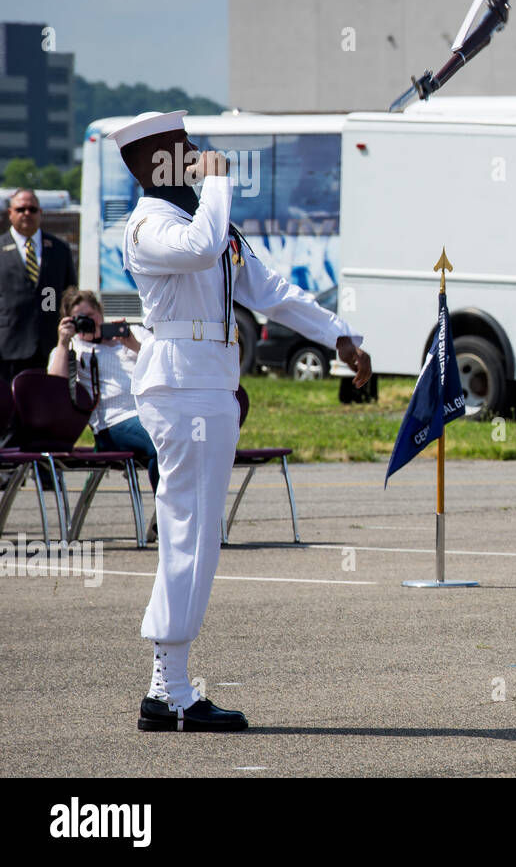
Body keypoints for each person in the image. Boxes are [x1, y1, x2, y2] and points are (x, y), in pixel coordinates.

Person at [111, 110, 371, 733]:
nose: (197, 155)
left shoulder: (207, 220)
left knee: (198, 536)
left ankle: (167, 687)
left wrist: (337, 334)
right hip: (180, 387)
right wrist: (221, 183)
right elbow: (200, 249)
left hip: (210, 386)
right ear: (151, 163)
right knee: (188, 534)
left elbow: (270, 290)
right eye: (182, 149)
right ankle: (169, 692)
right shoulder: (149, 223)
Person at [47, 288, 160, 492]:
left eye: (90, 316)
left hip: (153, 412)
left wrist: (133, 345)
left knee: (182, 438)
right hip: (113, 423)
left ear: (100, 312)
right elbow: (55, 389)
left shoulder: (132, 334)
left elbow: (164, 367)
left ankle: (184, 516)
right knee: (161, 441)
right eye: (78, 319)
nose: (86, 322)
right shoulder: (71, 349)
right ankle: (169, 518)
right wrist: (63, 343)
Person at [1, 189, 76, 383]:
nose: (27, 213)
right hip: (8, 348)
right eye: (21, 209)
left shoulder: (60, 249)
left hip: (50, 347)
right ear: (10, 213)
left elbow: (70, 294)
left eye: (32, 209)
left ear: (40, 212)